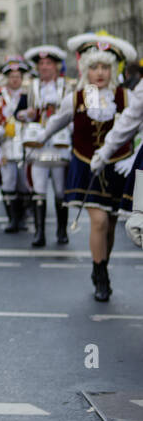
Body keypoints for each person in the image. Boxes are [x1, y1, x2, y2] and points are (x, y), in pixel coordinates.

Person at [34, 32, 139, 301]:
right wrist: (39, 137)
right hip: (86, 165)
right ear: (85, 69)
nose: (100, 73)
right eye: (94, 67)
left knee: (112, 224)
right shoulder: (76, 97)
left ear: (113, 69)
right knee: (99, 221)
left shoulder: (126, 96)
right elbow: (57, 122)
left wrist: (134, 155)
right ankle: (100, 274)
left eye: (105, 67)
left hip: (118, 168)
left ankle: (100, 264)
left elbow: (135, 129)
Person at [21, 45, 72, 246]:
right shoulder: (31, 86)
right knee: (39, 190)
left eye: (48, 63)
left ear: (56, 66)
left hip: (60, 145)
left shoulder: (67, 87)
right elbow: (19, 113)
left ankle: (61, 231)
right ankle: (40, 233)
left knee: (60, 191)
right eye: (41, 63)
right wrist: (27, 114)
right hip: (38, 144)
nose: (44, 67)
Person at [0, 56, 33, 233]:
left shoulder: (29, 96)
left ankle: (23, 218)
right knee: (8, 182)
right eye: (11, 76)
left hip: (25, 145)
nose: (15, 79)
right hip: (5, 145)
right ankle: (12, 219)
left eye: (18, 76)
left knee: (24, 183)